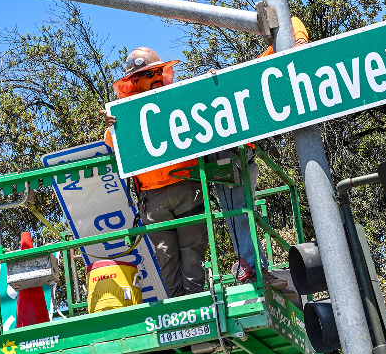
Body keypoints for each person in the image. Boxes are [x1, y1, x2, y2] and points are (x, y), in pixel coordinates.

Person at [101, 47, 207, 298]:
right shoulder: (122, 114)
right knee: (167, 261)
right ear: (134, 82)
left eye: (160, 71)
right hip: (153, 199)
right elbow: (112, 143)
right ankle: (181, 315)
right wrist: (111, 125)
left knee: (194, 255)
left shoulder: (178, 99)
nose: (158, 77)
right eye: (151, 73)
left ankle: (197, 311)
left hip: (186, 187)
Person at [210, 17, 310, 283]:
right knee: (239, 211)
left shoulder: (283, 69)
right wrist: (298, 41)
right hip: (226, 154)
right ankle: (253, 266)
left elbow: (292, 22)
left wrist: (300, 41)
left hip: (247, 155)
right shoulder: (266, 64)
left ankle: (256, 265)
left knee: (244, 210)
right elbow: (290, 21)